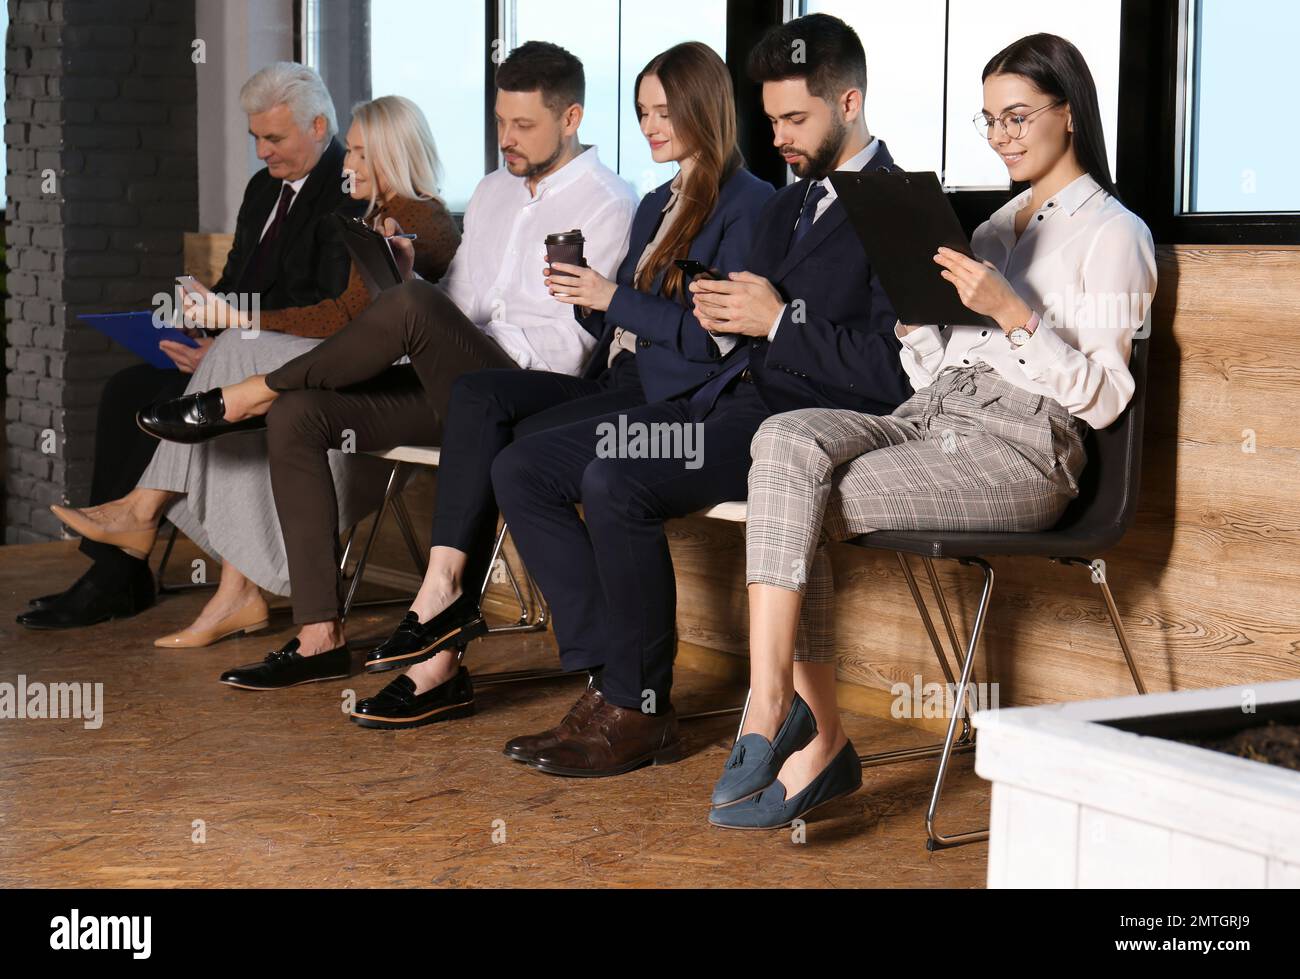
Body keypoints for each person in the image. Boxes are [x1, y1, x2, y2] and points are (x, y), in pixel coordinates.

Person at [708, 32, 1157, 829]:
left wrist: (1013, 313)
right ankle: (776, 701)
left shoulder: (1115, 234)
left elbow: (1107, 400)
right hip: (933, 416)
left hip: (1024, 449)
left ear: (1071, 116)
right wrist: (920, 324)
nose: (1003, 136)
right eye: (989, 121)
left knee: (790, 499)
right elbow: (926, 373)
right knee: (782, 443)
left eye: (1017, 116)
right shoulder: (987, 233)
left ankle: (801, 731)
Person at [140, 41, 640, 691]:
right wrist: (411, 287)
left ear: (570, 119)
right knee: (300, 413)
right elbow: (457, 298)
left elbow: (568, 346)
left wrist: (424, 311)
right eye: (499, 123)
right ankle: (319, 633)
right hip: (451, 383)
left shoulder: (611, 200)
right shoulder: (491, 192)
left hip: (528, 385)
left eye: (524, 126)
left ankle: (246, 393)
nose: (507, 139)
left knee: (405, 309)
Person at [491, 14, 913, 778]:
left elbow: (896, 374)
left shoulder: (899, 207)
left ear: (849, 104)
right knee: (529, 466)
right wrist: (723, 316)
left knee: (615, 478)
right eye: (773, 117)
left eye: (796, 119)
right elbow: (730, 330)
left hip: (785, 427)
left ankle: (638, 708)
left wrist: (777, 321)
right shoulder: (789, 205)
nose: (779, 135)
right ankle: (610, 679)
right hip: (716, 406)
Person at [346, 41, 775, 730]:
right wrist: (582, 298)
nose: (650, 126)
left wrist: (609, 298)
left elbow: (711, 340)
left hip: (675, 400)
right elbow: (619, 318)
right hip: (619, 379)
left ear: (705, 109)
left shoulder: (750, 205)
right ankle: (455, 598)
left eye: (664, 111)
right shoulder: (657, 204)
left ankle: (569, 665)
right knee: (481, 402)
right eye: (642, 112)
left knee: (510, 457)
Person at [48, 95, 461, 648]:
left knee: (233, 354)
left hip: (388, 389)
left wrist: (237, 316)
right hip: (349, 369)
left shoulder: (420, 218)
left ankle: (145, 510)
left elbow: (344, 319)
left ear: (392, 153)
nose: (346, 163)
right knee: (234, 379)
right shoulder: (378, 214)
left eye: (359, 152)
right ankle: (228, 586)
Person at [18, 62, 364, 631]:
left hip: (280, 364)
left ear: (319, 125)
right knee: (127, 388)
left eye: (273, 138)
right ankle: (122, 573)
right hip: (233, 348)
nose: (261, 152)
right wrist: (198, 322)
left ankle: (115, 574)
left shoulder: (346, 193)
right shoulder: (263, 191)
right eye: (255, 137)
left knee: (170, 394)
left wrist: (227, 345)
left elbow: (323, 309)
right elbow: (238, 280)